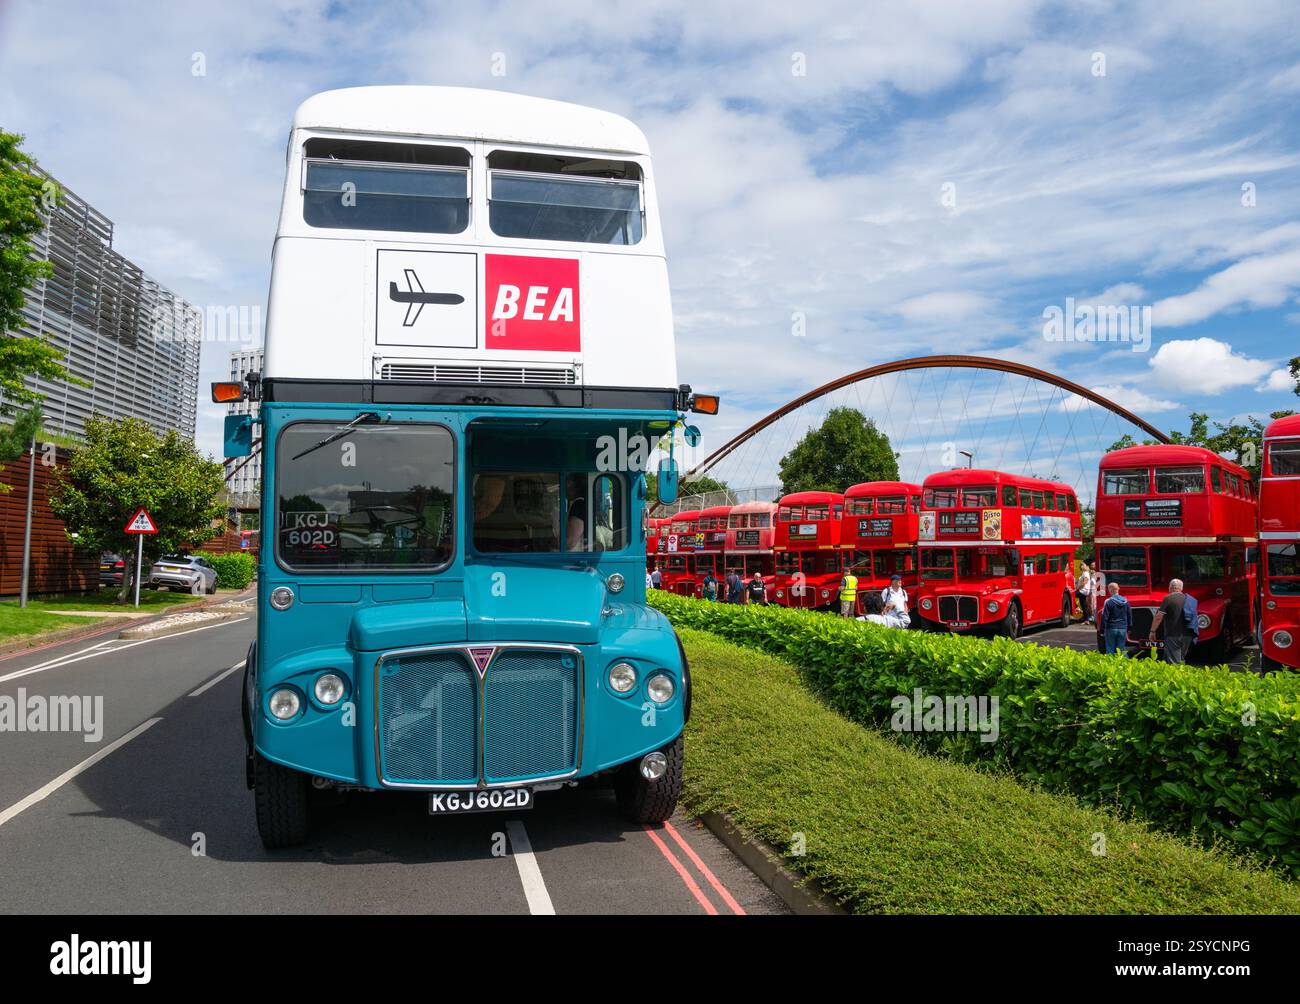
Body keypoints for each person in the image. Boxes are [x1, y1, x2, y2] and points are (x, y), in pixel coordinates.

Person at [1149, 577, 1192, 664]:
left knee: (1173, 663)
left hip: (1173, 635)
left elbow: (1158, 617)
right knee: (1181, 660)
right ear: (1181, 588)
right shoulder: (1189, 599)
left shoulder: (1168, 599)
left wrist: (1152, 631)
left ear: (1170, 587)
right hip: (1188, 635)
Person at [1099, 581, 1132, 656]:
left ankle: (1110, 666)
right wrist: (1129, 628)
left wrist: (1101, 630)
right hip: (1123, 628)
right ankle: (1126, 664)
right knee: (1121, 649)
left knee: (1110, 649)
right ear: (1118, 589)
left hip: (1111, 628)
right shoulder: (1126, 601)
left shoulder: (1108, 602)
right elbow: (1129, 615)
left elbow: (1105, 617)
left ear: (1110, 590)